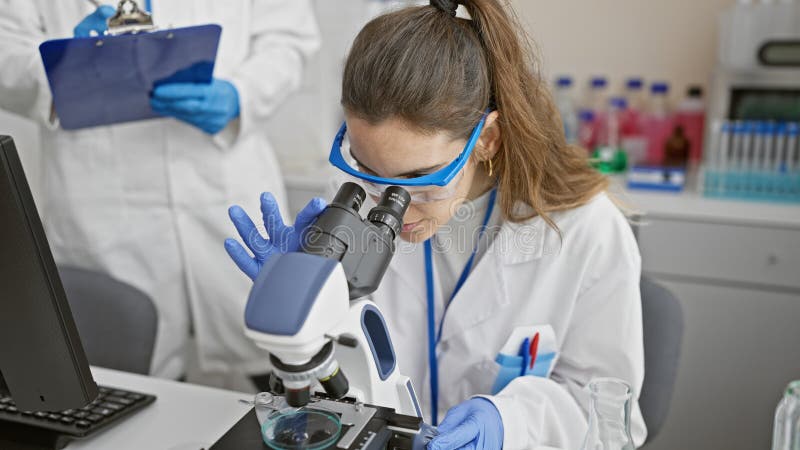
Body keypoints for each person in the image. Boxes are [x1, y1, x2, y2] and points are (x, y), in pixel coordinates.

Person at [224, 0, 647, 448]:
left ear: (485, 139)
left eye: (417, 181)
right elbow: (336, 390)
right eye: (366, 172)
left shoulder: (587, 229)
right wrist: (304, 319)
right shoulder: (350, 209)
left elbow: (611, 415)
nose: (393, 207)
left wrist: (513, 423)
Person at [0, 1, 320, 381]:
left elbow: (289, 35)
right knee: (126, 374)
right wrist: (60, 65)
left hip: (223, 181)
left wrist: (242, 95)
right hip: (100, 199)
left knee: (272, 362)